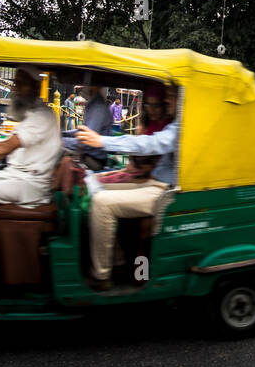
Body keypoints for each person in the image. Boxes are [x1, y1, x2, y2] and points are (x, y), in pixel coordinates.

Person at [76, 85, 180, 290]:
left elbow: (149, 144)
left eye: (170, 98)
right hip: (152, 182)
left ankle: (102, 275)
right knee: (94, 187)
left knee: (101, 203)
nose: (167, 102)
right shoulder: (168, 124)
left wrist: (101, 141)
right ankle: (116, 261)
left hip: (164, 190)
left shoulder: (179, 127)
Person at [0, 67, 64, 253]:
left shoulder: (42, 116)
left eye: (20, 84)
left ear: (34, 87)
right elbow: (2, 147)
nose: (15, 88)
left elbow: (5, 148)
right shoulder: (31, 113)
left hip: (32, 185)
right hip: (16, 175)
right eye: (15, 83)